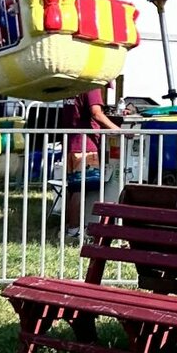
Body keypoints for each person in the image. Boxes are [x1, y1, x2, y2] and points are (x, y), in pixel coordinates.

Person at [58, 85, 121, 239]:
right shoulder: (91, 87)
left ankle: (66, 228)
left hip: (71, 143)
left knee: (72, 188)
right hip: (85, 145)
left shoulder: (73, 85)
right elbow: (96, 113)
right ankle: (74, 230)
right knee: (81, 188)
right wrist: (119, 131)